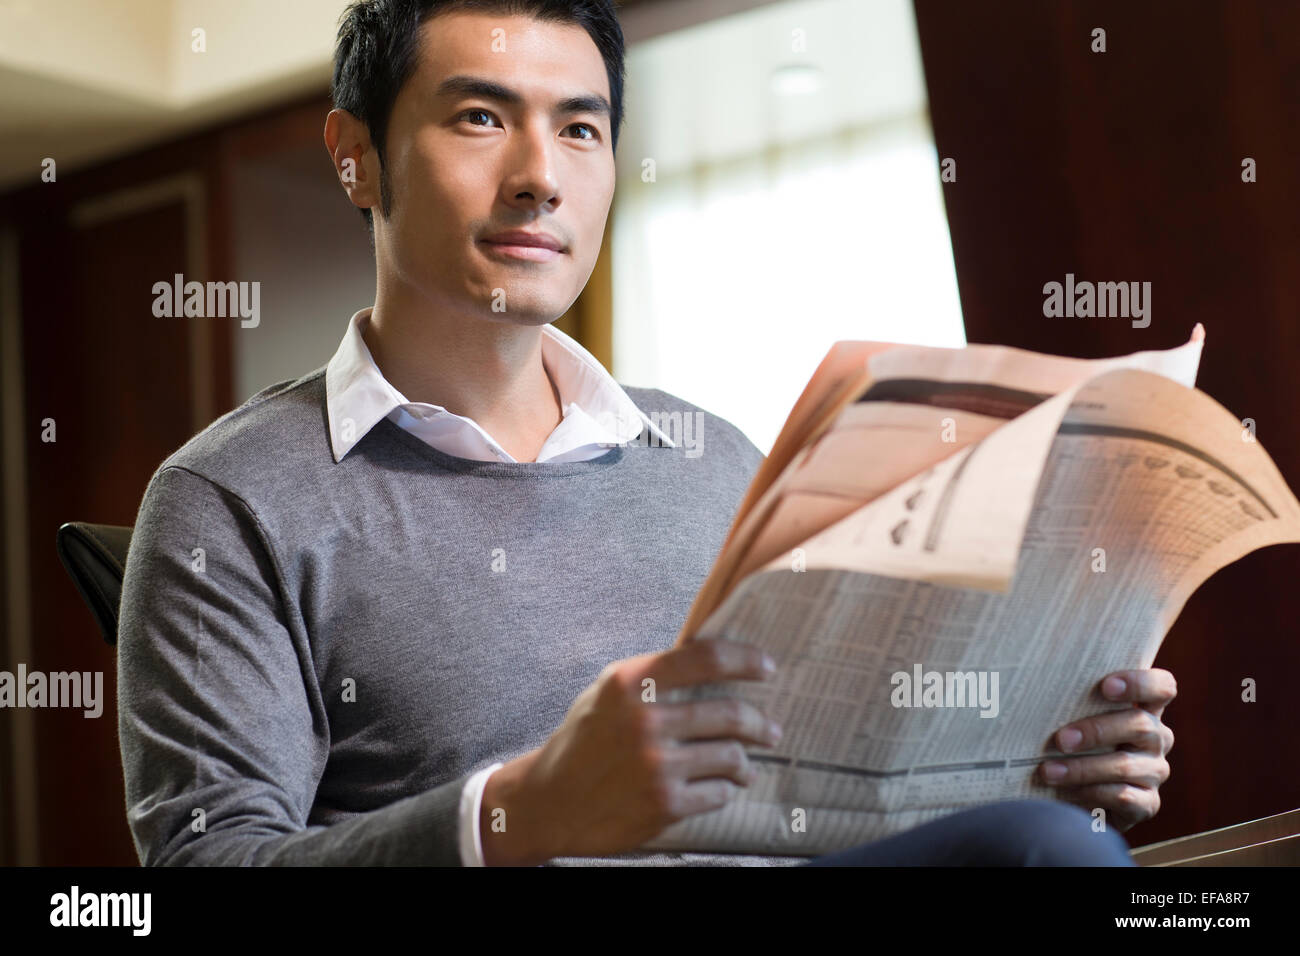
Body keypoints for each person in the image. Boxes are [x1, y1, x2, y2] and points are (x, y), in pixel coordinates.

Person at [116, 0, 1172, 867]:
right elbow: (208, 861)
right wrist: (520, 810)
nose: (541, 174)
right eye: (480, 117)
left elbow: (831, 779)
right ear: (355, 156)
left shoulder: (710, 455)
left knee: (1050, 843)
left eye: (580, 129)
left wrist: (1039, 759)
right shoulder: (231, 499)